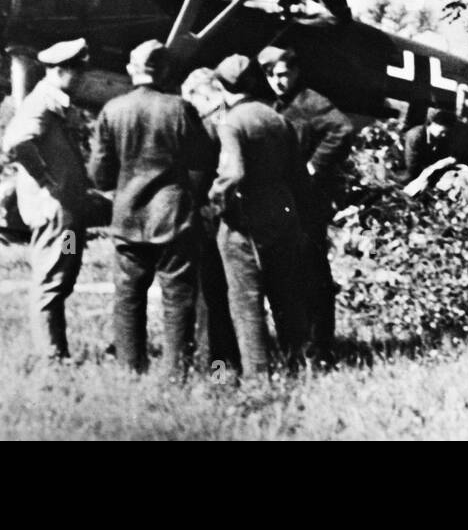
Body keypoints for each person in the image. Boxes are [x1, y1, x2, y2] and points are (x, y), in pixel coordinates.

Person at [89, 40, 215, 377]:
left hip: (127, 216)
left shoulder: (112, 109)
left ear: (131, 70)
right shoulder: (179, 108)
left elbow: (99, 173)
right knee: (177, 297)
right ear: (165, 71)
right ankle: (177, 372)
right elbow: (205, 158)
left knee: (128, 294)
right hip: (171, 217)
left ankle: (130, 368)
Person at [2, 38, 111, 361]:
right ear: (61, 70)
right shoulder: (41, 102)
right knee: (51, 279)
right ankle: (51, 356)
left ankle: (56, 350)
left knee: (62, 275)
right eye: (77, 72)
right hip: (56, 210)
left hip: (68, 209)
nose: (81, 78)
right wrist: (45, 179)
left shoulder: (54, 101)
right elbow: (16, 142)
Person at [209, 54, 308, 379]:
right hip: (282, 213)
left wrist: (216, 201)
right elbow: (299, 176)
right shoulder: (277, 118)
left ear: (222, 87)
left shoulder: (231, 122)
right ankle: (298, 366)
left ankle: (258, 378)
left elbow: (233, 172)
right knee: (285, 295)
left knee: (246, 302)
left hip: (245, 221)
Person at [258, 45, 354, 364]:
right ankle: (296, 346)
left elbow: (342, 129)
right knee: (286, 277)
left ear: (296, 72)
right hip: (284, 204)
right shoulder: (277, 105)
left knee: (313, 275)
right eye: (272, 76)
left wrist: (314, 166)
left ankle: (321, 347)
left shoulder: (311, 102)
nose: (278, 82)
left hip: (308, 205)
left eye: (284, 75)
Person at [180, 67, 241, 375]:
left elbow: (196, 178)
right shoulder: (239, 117)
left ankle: (216, 365)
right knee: (232, 294)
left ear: (203, 95)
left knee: (209, 296)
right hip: (240, 221)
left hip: (208, 220)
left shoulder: (205, 127)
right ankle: (235, 357)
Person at [403, 107, 455, 181]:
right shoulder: (415, 135)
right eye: (442, 131)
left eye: (446, 133)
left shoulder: (440, 138)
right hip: (404, 171)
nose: (444, 135)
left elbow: (442, 156)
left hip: (426, 172)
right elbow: (412, 166)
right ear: (433, 123)